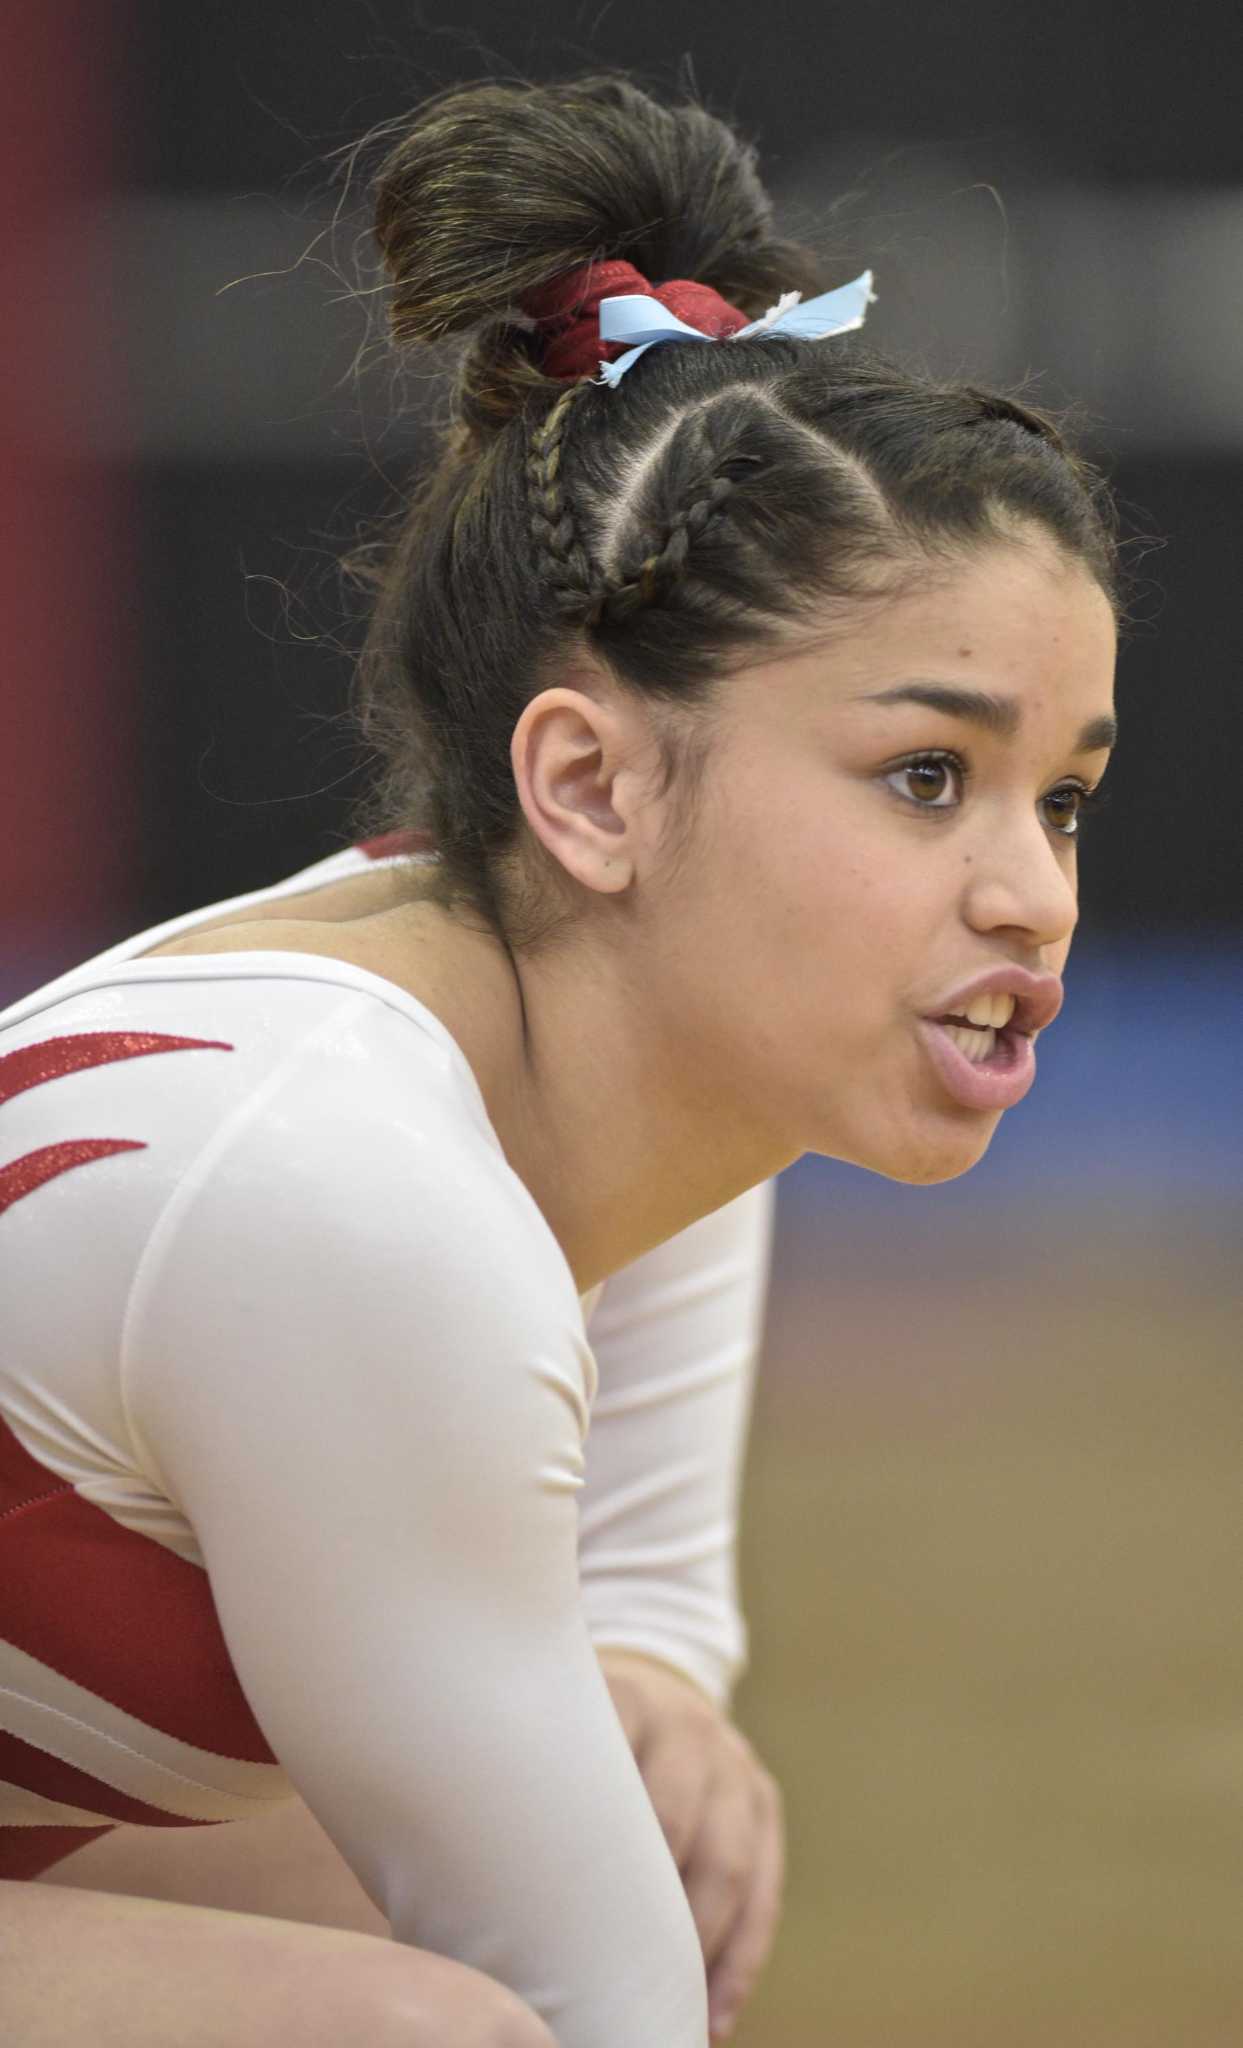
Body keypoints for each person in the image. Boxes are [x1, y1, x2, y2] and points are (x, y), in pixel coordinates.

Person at [0, 66, 1122, 2048]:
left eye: (1061, 799)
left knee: (608, 1848)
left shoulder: (611, 1063)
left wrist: (661, 1695)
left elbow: (643, 1634)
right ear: (592, 786)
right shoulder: (353, 1193)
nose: (1027, 891)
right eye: (927, 776)